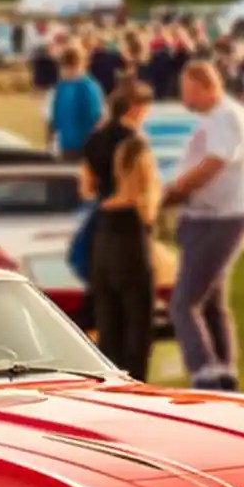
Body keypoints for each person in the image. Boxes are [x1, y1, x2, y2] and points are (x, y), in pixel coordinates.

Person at [162, 62, 244, 391]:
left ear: (205, 86)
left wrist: (177, 190)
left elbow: (215, 162)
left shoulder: (225, 117)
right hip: (212, 216)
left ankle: (204, 373)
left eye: (188, 90)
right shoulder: (224, 116)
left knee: (183, 303)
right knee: (212, 302)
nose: (184, 97)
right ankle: (224, 371)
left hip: (217, 218)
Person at [83, 82, 159, 381]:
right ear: (134, 106)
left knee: (108, 319)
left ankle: (110, 384)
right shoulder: (135, 143)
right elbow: (142, 194)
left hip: (102, 235)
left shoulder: (94, 140)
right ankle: (136, 384)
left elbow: (86, 188)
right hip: (129, 232)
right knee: (138, 319)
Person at [49, 46, 105, 161]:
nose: (66, 72)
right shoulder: (62, 86)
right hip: (66, 144)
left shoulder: (88, 87)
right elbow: (56, 116)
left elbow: (96, 118)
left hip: (84, 145)